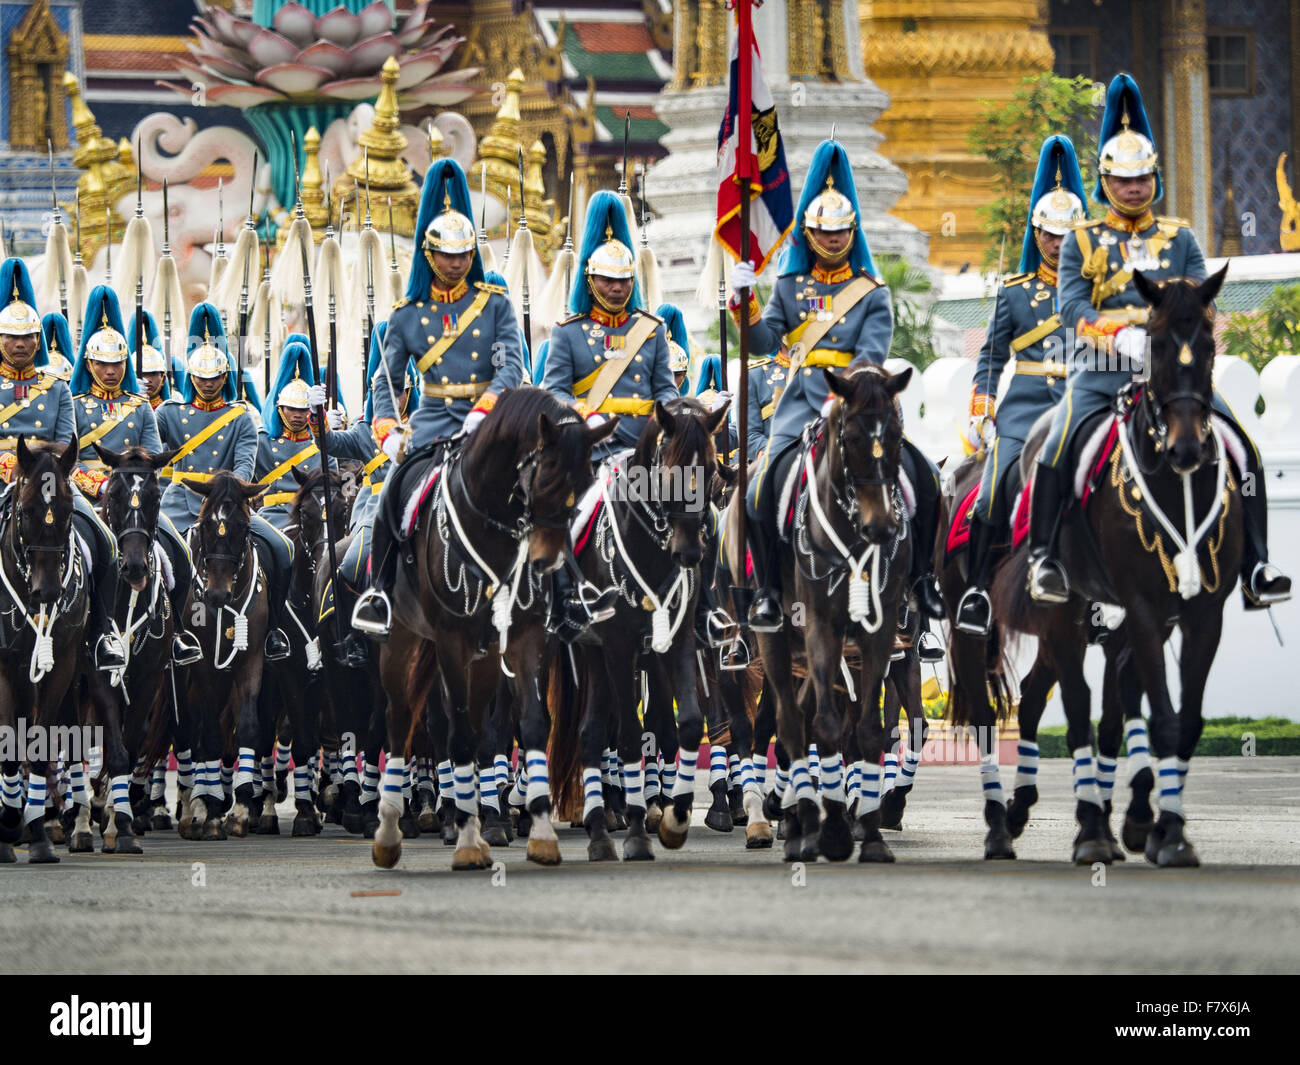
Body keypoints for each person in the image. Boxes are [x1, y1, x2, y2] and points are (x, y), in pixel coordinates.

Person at [1031, 73, 1290, 608]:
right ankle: (1046, 558)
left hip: (1176, 372)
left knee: (1245, 448)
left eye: (1143, 179)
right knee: (1057, 445)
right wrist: (1120, 336)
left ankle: (1257, 563)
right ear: (1105, 182)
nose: (1134, 189)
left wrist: (1173, 333)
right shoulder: (1081, 240)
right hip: (1101, 370)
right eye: (1123, 181)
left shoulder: (1181, 236)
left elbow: (1204, 298)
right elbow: (1071, 307)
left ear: (1156, 179)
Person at [730, 139, 945, 647]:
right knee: (759, 488)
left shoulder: (873, 292)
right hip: (798, 406)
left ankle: (921, 587)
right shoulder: (788, 286)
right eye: (823, 232)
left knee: (926, 480)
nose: (831, 240)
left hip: (861, 407)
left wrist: (844, 399)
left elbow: (870, 357)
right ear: (809, 232)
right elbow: (765, 343)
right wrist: (748, 304)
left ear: (853, 233)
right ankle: (767, 592)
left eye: (840, 232)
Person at [350, 158, 524, 639]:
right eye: (448, 255)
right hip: (430, 427)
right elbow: (385, 381)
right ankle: (380, 593)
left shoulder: (495, 305)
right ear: (429, 255)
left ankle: (544, 593)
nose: (457, 263)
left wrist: (486, 410)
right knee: (390, 498)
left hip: (490, 426)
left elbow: (510, 366)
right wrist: (386, 430)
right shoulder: (407, 316)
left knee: (536, 496)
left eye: (465, 254)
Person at [954, 135, 1087, 636]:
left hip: (1080, 404)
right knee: (989, 494)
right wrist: (982, 409)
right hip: (1024, 407)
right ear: (1038, 233)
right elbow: (990, 357)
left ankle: (1101, 592)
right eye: (1050, 234)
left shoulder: (1096, 292)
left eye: (1067, 233)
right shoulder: (1014, 293)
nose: (1058, 242)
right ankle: (974, 592)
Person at [541, 190, 683, 639]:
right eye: (607, 280)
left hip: (646, 460)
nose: (617, 288)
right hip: (593, 457)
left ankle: (707, 610)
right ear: (590, 279)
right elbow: (555, 394)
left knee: (699, 506)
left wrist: (679, 422)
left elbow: (666, 393)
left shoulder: (652, 330)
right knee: (564, 516)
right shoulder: (567, 334)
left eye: (623, 281)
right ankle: (568, 599)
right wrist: (586, 418)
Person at [69, 286, 203, 665]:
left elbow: (153, 457)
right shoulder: (76, 405)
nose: (110, 372)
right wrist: (98, 485)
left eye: (117, 365)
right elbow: (71, 459)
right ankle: (90, 632)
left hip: (135, 496)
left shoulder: (140, 406)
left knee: (179, 554)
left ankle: (177, 630)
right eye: (102, 365)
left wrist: (137, 488)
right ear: (90, 364)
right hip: (94, 496)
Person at [155, 302, 293, 659]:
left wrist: (229, 498)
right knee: (153, 555)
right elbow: (152, 456)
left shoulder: (241, 417)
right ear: (191, 377)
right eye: (201, 377)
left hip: (229, 505)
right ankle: (169, 632)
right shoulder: (169, 413)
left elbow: (245, 465)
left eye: (215, 377)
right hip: (179, 503)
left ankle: (273, 630)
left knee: (282, 549)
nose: (208, 383)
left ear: (225, 376)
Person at [327, 320, 417, 666]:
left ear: (410, 392)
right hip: (374, 509)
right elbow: (332, 444)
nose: (395, 398)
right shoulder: (365, 431)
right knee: (350, 563)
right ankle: (355, 633)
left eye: (401, 391)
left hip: (413, 503)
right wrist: (322, 421)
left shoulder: (423, 424)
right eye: (388, 391)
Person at [253, 337, 334, 531]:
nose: (297, 415)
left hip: (310, 518)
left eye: (304, 409)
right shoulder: (262, 441)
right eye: (291, 409)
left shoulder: (323, 443)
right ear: (280, 408)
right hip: (271, 517)